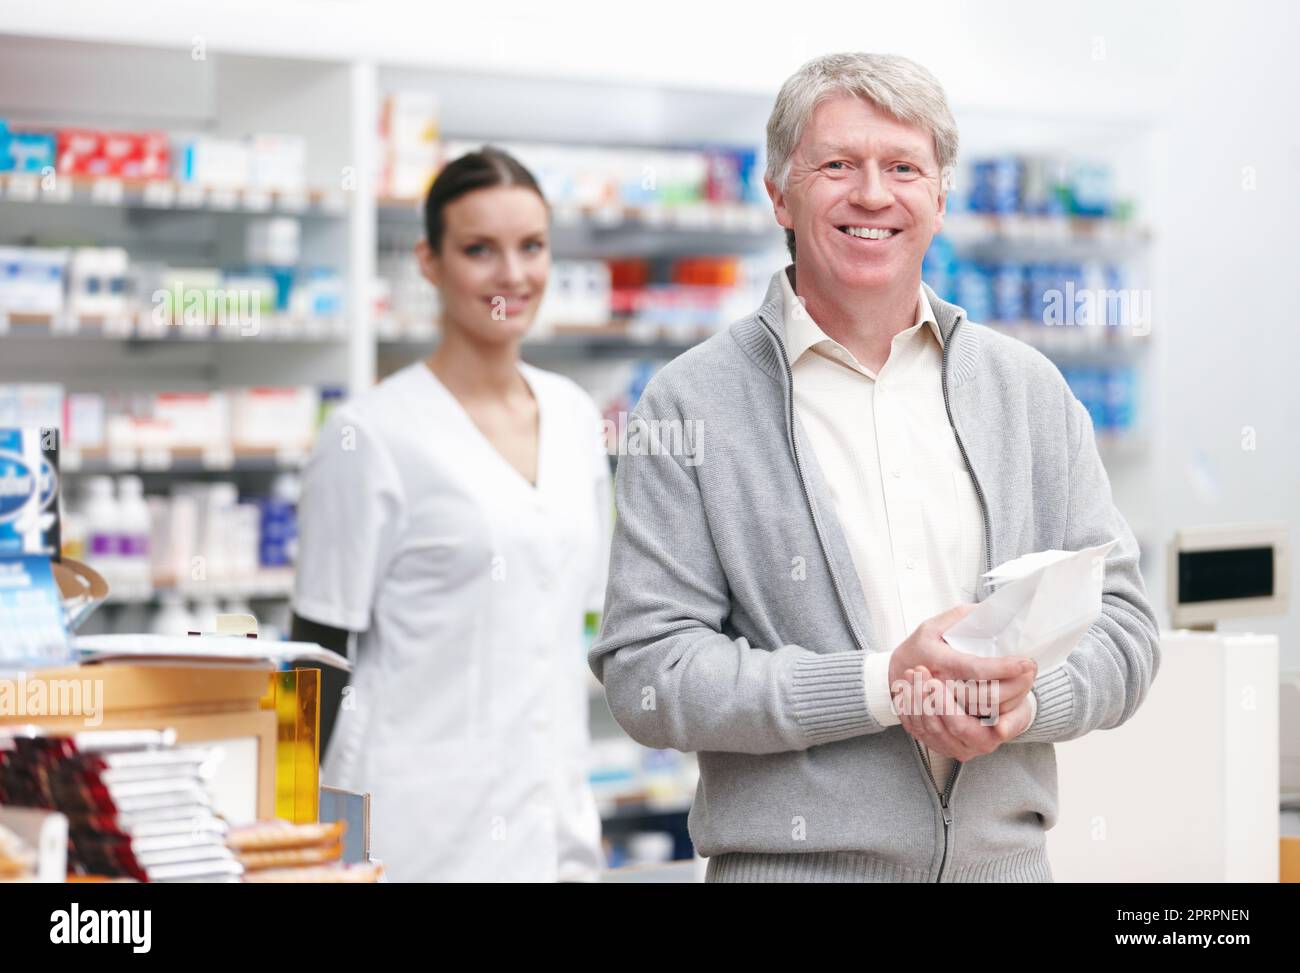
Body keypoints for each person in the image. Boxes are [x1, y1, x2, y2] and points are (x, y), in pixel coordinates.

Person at [590, 53, 1160, 882]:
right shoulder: (687, 405)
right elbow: (648, 674)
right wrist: (881, 684)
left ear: (940, 196)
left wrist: (1024, 703)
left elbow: (1127, 629)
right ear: (779, 194)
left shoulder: (1028, 390)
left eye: (903, 167)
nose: (872, 194)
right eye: (837, 165)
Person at [292, 147, 611, 882]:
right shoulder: (369, 434)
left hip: (550, 816)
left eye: (531, 246)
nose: (512, 274)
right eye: (479, 249)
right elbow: (313, 654)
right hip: (409, 829)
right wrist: (285, 835)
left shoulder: (571, 415)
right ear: (429, 262)